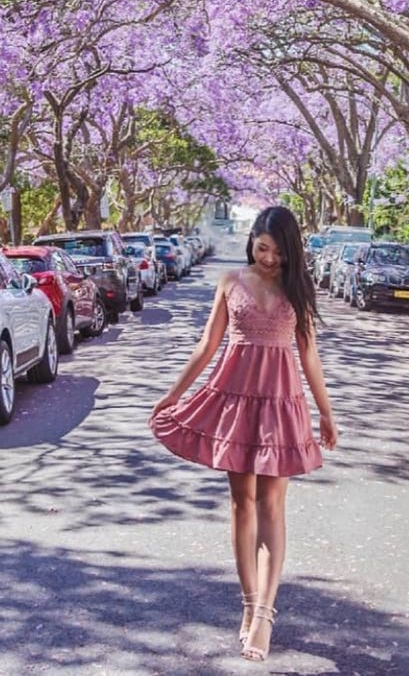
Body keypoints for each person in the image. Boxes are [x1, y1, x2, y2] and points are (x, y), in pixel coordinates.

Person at [149, 205, 338, 663]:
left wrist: (325, 414)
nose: (269, 257)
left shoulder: (297, 289)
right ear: (252, 240)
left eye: (277, 250)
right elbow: (208, 344)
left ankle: (265, 615)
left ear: (291, 251)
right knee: (242, 502)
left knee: (272, 503)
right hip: (233, 398)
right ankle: (249, 601)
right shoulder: (231, 282)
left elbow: (309, 356)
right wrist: (172, 394)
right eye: (262, 246)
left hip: (279, 402)